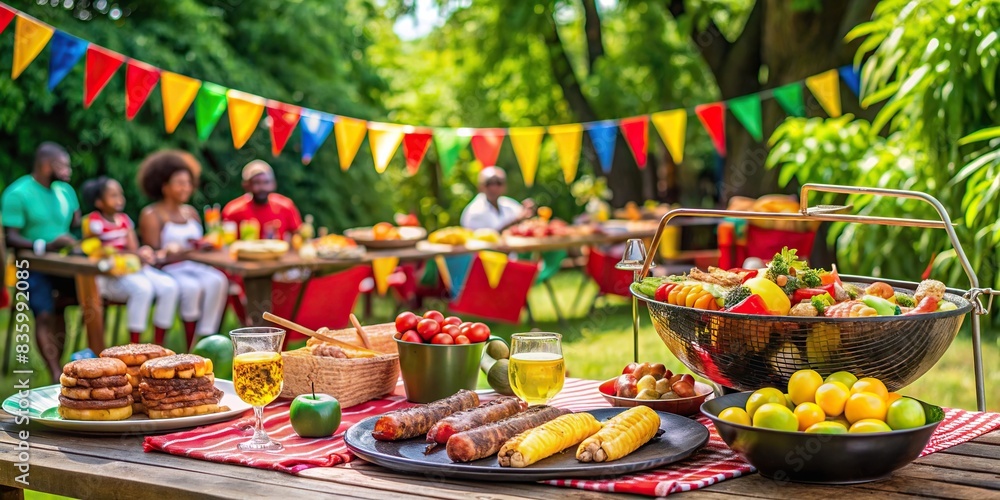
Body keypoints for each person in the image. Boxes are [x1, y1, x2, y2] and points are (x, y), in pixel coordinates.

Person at [1, 142, 80, 378]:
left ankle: (73, 367)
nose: (68, 170)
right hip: (31, 265)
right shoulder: (18, 193)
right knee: (45, 314)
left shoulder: (66, 191)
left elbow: (76, 224)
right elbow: (10, 237)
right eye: (62, 165)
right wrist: (44, 245)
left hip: (65, 264)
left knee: (67, 307)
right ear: (46, 165)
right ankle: (55, 372)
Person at [136, 150, 229, 350]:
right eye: (179, 182)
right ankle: (187, 346)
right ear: (164, 186)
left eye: (188, 183)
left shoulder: (191, 212)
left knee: (218, 280)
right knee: (191, 288)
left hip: (195, 266)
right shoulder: (152, 214)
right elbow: (153, 257)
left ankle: (206, 338)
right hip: (169, 269)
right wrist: (175, 251)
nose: (185, 187)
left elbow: (197, 243)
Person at [81, 176, 180, 345]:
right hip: (109, 275)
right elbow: (97, 251)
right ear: (99, 202)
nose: (120, 199)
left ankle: (158, 344)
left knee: (170, 286)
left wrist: (143, 254)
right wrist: (132, 254)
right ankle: (135, 346)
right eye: (113, 195)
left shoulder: (124, 220)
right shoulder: (93, 222)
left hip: (131, 268)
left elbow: (133, 249)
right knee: (143, 289)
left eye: (120, 194)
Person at [221, 160, 302, 240]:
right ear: (246, 185)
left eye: (266, 182)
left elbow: (298, 236)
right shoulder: (233, 210)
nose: (262, 187)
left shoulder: (286, 206)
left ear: (273, 184)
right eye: (256, 182)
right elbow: (224, 242)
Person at [460, 166, 535, 231]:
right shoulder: (474, 211)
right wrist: (516, 221)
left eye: (498, 183)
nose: (494, 188)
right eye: (489, 183)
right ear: (480, 187)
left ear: (505, 186)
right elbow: (489, 238)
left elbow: (524, 221)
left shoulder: (509, 204)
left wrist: (527, 211)